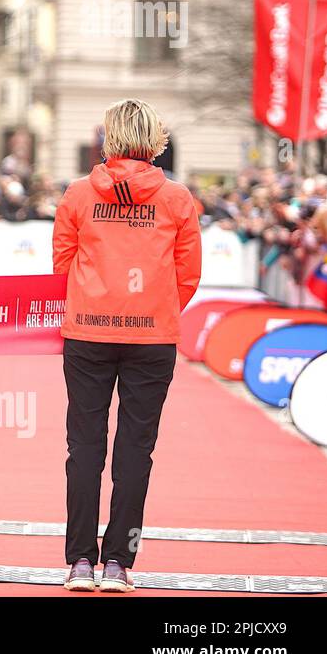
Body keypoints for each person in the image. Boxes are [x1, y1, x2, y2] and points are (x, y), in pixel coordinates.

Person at [52, 99, 201, 593]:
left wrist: (95, 298)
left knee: (84, 447)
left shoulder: (77, 193)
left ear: (107, 139)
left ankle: (79, 562)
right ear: (156, 141)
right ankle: (118, 562)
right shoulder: (177, 198)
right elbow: (188, 275)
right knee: (137, 449)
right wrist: (154, 307)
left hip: (89, 331)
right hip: (151, 336)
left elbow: (62, 264)